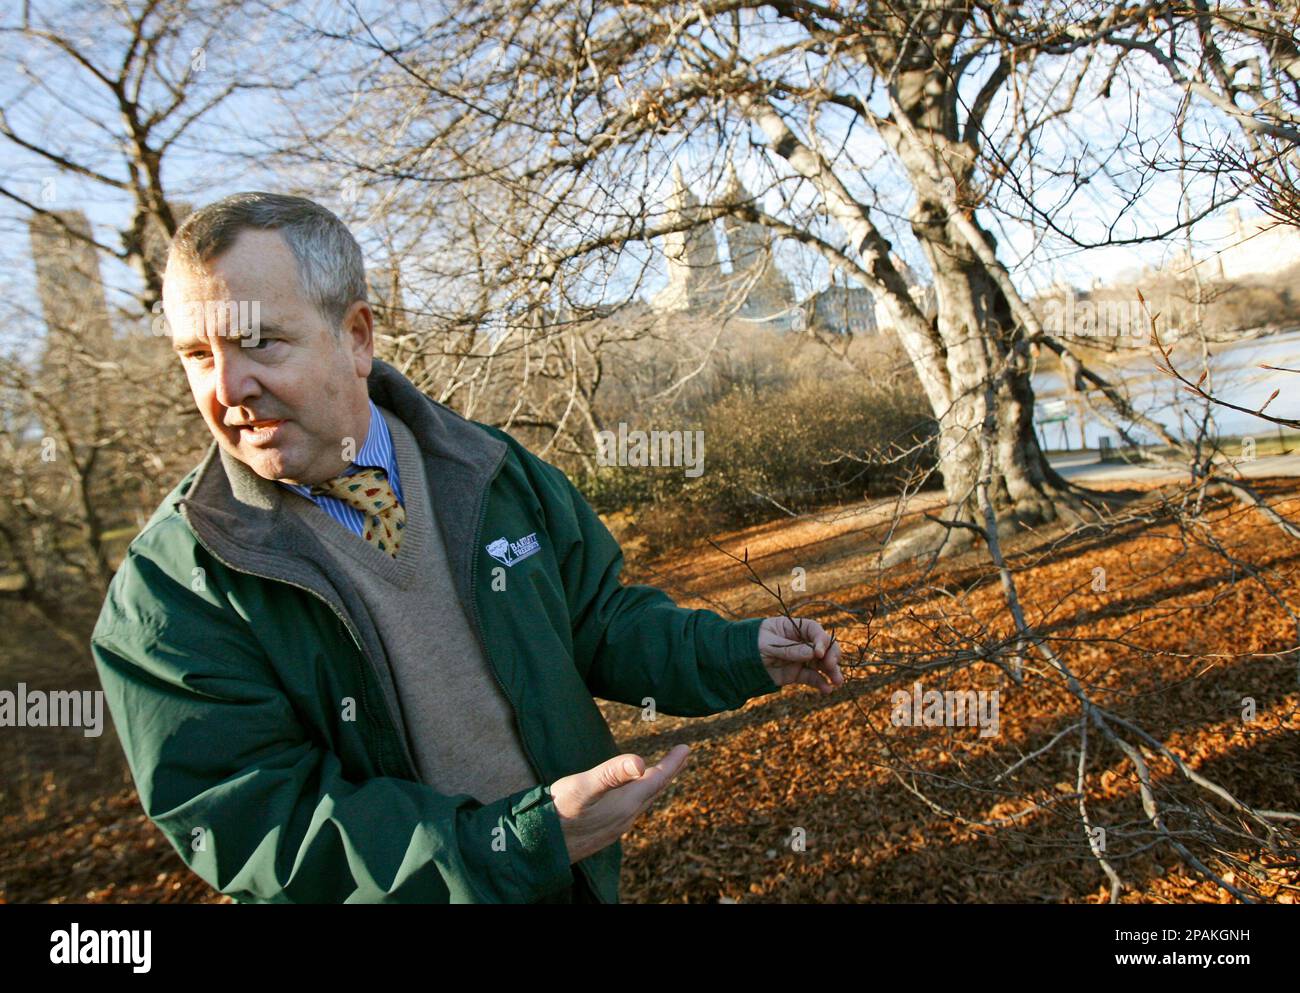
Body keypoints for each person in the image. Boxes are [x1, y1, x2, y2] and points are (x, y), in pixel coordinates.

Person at [89, 191, 844, 904]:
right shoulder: (170, 588)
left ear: (356, 337)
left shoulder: (489, 469)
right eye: (197, 355)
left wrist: (741, 651)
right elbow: (259, 824)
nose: (227, 387)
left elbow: (599, 621)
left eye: (259, 342)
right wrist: (512, 847)